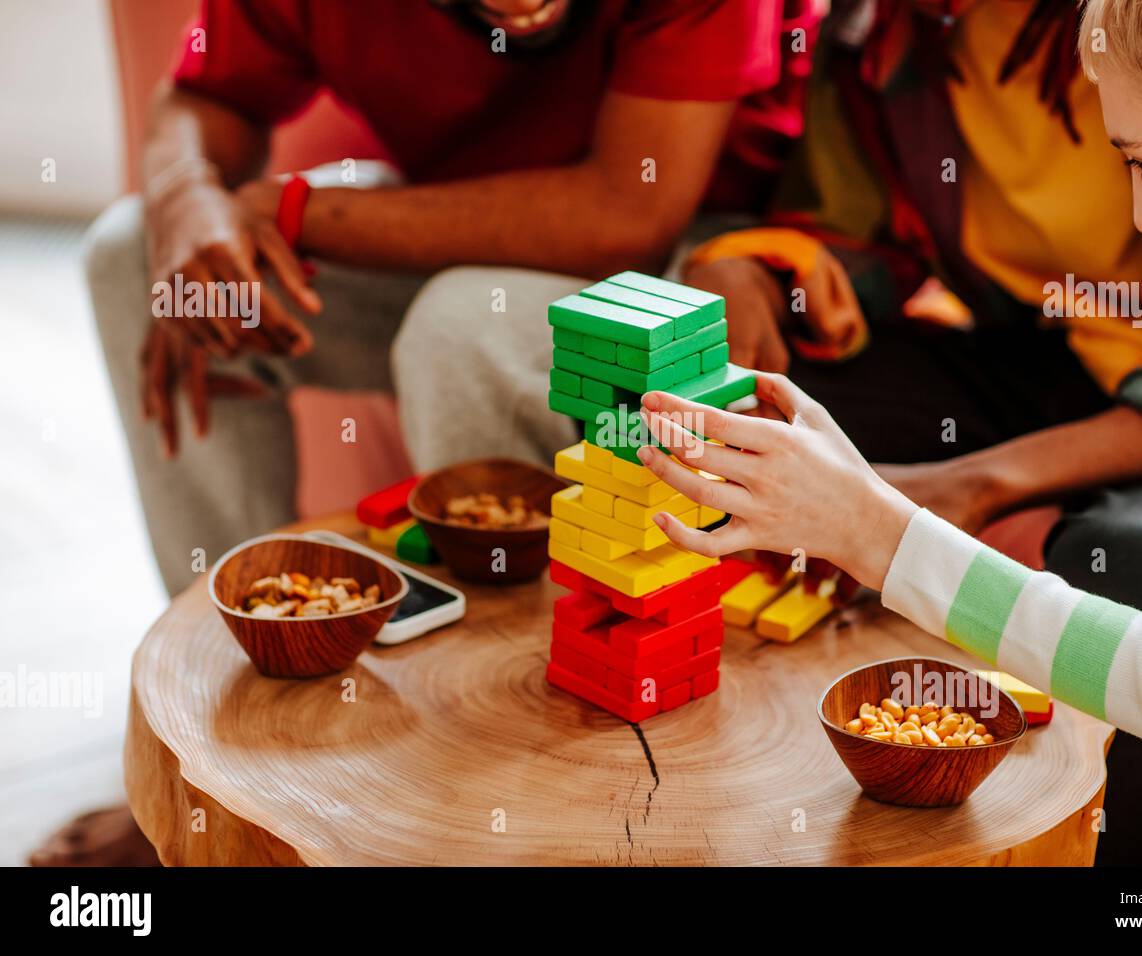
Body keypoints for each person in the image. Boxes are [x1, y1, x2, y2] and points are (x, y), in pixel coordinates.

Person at [51, 0, 813, 868]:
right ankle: (228, 750)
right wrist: (188, 208)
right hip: (453, 218)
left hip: (680, 261)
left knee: (459, 329)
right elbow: (202, 98)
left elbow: (626, 208)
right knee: (129, 258)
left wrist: (289, 214)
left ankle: (509, 773)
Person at [636, 0, 1142, 847]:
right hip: (1033, 363)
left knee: (1139, 556)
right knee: (797, 418)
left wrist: (893, 524)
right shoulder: (879, 45)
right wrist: (765, 270)